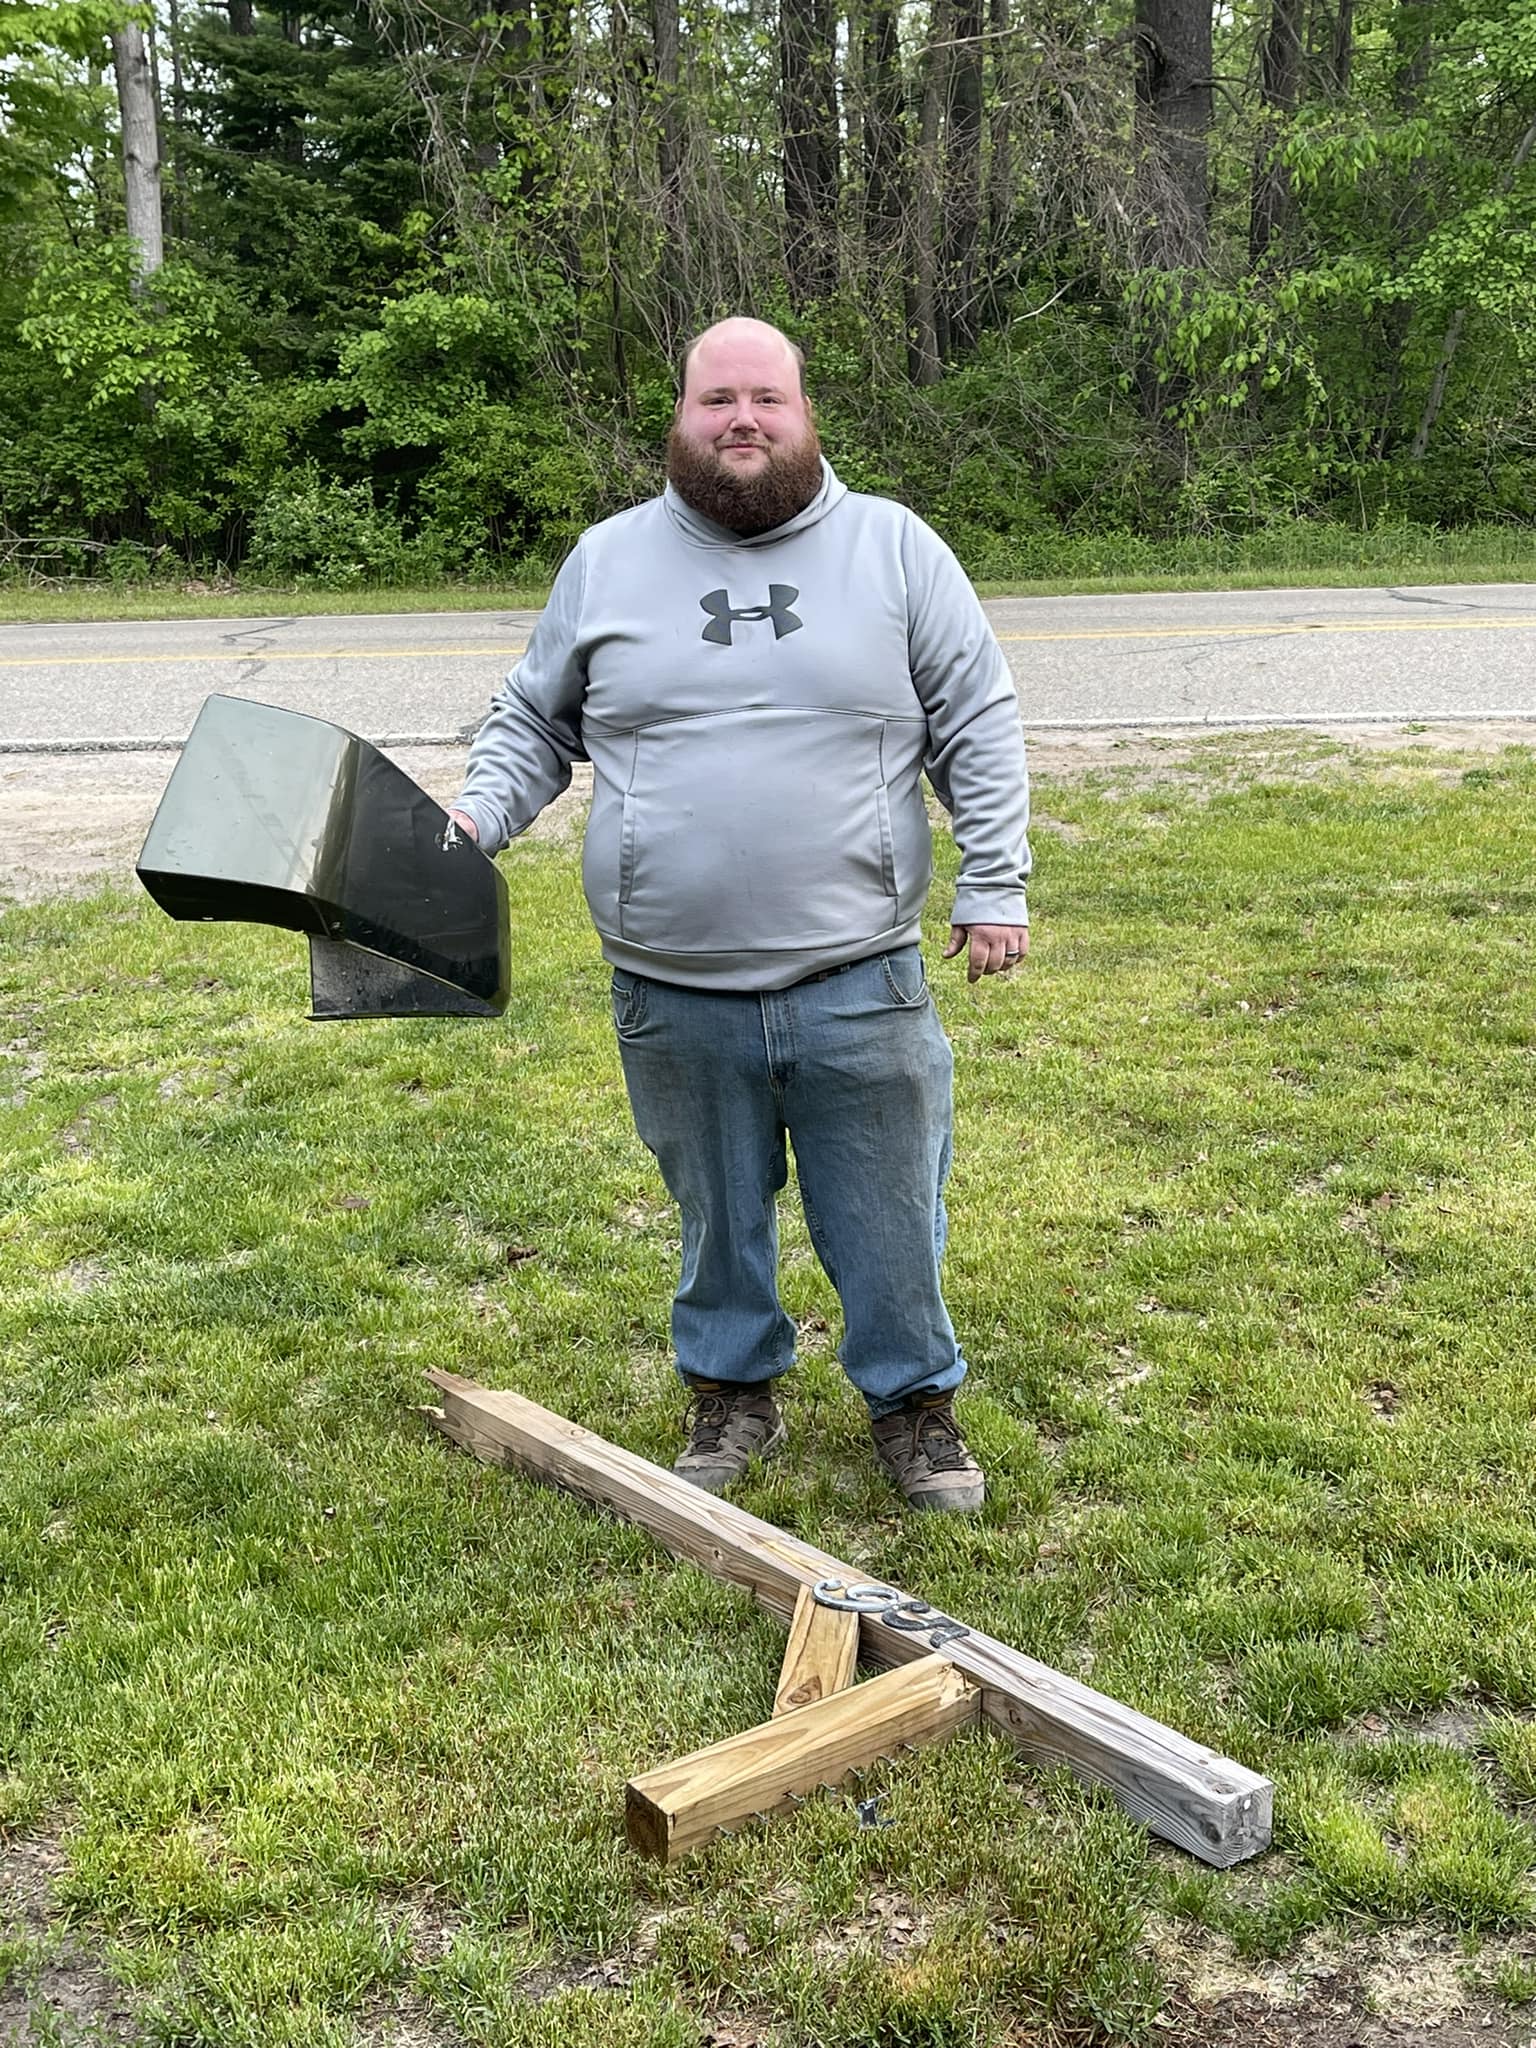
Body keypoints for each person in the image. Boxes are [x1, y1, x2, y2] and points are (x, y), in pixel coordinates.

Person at [448, 316, 1030, 1514]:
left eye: (767, 396)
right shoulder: (607, 562)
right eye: (718, 398)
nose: (743, 419)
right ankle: (733, 1390)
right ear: (681, 415)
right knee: (714, 1214)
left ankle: (915, 1408)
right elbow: (532, 725)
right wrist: (470, 824)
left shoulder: (896, 550)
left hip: (860, 974)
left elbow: (977, 716)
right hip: (671, 983)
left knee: (887, 1213)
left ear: (809, 414)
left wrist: (995, 882)